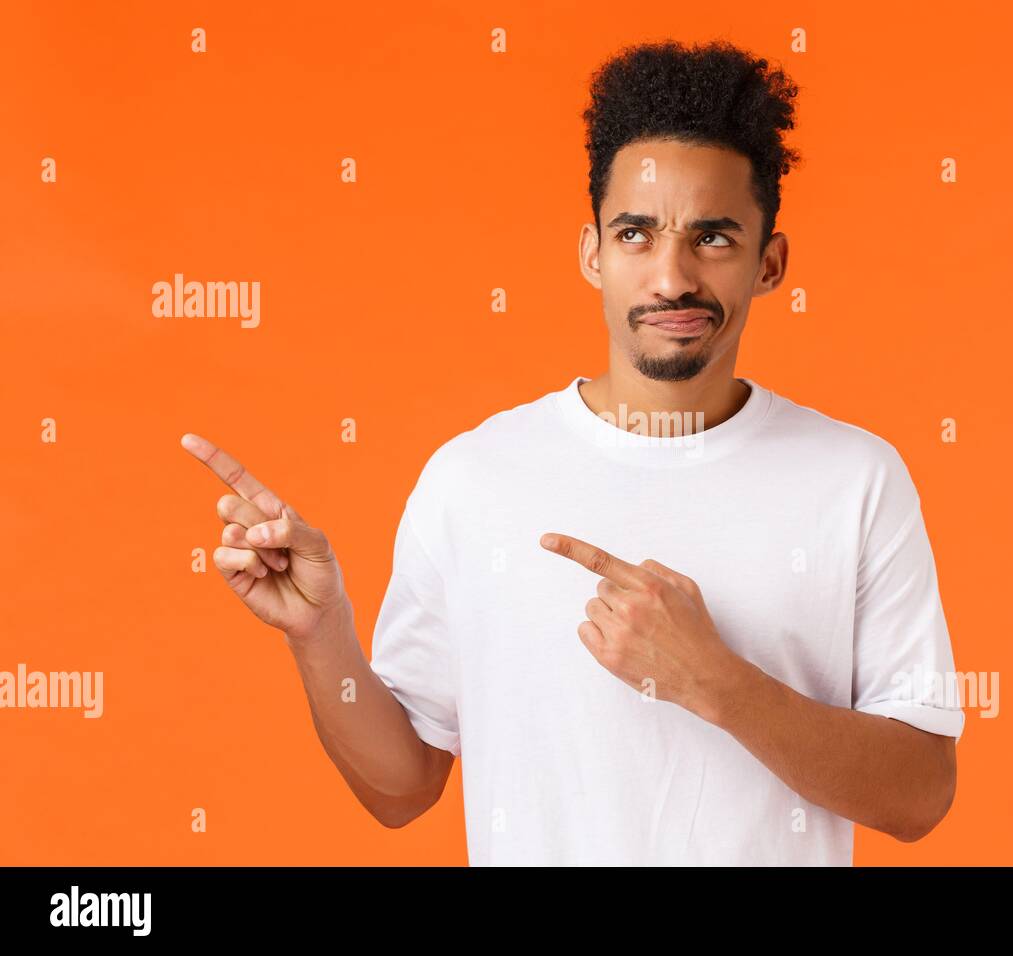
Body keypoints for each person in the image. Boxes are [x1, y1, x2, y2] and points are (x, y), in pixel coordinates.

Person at [180, 38, 964, 866]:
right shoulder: (473, 479)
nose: (670, 277)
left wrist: (715, 682)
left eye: (714, 238)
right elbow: (402, 790)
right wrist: (319, 632)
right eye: (636, 234)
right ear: (593, 253)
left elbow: (920, 794)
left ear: (770, 264)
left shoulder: (854, 479)